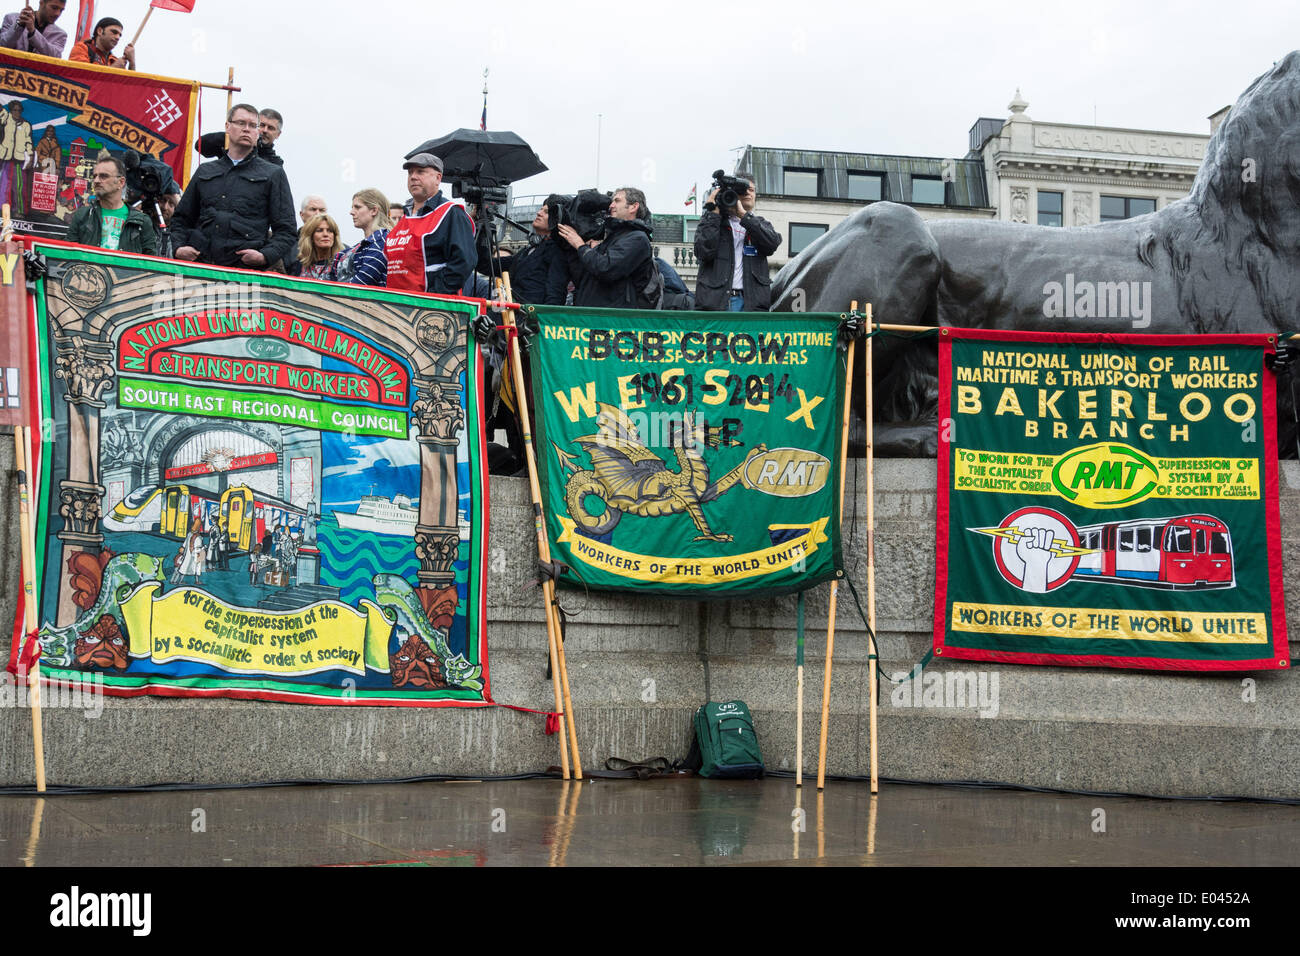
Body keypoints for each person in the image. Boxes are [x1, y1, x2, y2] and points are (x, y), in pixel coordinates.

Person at [170, 103, 296, 270]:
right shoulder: (205, 171)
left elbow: (286, 230)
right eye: (241, 123)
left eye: (253, 125)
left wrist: (265, 256)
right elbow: (180, 219)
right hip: (199, 268)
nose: (247, 129)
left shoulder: (273, 174)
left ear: (257, 132)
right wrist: (179, 247)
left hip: (244, 274)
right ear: (227, 126)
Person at [385, 152, 476, 295]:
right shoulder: (404, 216)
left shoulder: (451, 213)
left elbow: (464, 262)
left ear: (438, 178)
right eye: (410, 173)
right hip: (396, 306)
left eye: (420, 171)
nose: (413, 177)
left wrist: (434, 295)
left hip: (430, 309)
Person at [693, 171, 781, 311]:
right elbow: (703, 251)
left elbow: (772, 244)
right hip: (716, 303)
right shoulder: (714, 222)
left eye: (751, 190)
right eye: (743, 189)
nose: (748, 193)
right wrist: (713, 214)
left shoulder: (760, 224)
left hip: (751, 303)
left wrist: (743, 216)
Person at [556, 186, 656, 308]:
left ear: (633, 207)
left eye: (617, 201)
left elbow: (606, 269)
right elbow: (583, 277)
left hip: (612, 320)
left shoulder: (638, 238)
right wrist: (573, 246)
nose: (611, 205)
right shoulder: (612, 238)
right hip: (592, 314)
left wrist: (580, 244)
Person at [66, 154, 157, 253]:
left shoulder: (142, 221)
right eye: (94, 176)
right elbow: (68, 255)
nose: (96, 181)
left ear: (121, 182)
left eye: (103, 176)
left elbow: (150, 263)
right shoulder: (82, 215)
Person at [494, 202, 567, 305]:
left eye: (546, 212)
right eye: (540, 209)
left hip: (531, 316)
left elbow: (555, 295)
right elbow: (487, 264)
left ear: (557, 219)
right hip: (510, 313)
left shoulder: (557, 251)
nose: (539, 213)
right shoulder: (526, 251)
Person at [332, 187, 390, 285]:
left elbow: (362, 281)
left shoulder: (382, 240)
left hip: (361, 299)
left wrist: (333, 292)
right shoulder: (363, 244)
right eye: (352, 207)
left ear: (374, 211)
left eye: (357, 207)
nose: (351, 212)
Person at [0, 0, 67, 57]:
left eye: (61, 10)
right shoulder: (12, 18)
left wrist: (33, 32)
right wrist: (19, 25)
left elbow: (55, 57)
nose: (58, 14)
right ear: (41, 2)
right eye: (54, 8)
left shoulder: (60, 34)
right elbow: (2, 45)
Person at [0, 100, 32, 216]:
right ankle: (3, 210)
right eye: (15, 110)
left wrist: (30, 156)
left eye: (19, 110)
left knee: (18, 186)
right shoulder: (6, 118)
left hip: (18, 160)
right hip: (5, 157)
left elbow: (28, 142)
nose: (17, 112)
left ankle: (18, 210)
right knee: (3, 185)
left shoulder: (25, 125)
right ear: (11, 110)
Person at [287, 213, 343, 279]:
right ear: (310, 236)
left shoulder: (341, 264)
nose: (325, 234)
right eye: (320, 230)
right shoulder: (298, 266)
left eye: (330, 231)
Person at [68, 16, 134, 69]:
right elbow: (79, 78)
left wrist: (132, 63)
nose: (117, 37)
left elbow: (131, 85)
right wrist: (113, 69)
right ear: (100, 31)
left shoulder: (114, 60)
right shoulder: (81, 49)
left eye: (120, 35)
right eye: (114, 32)